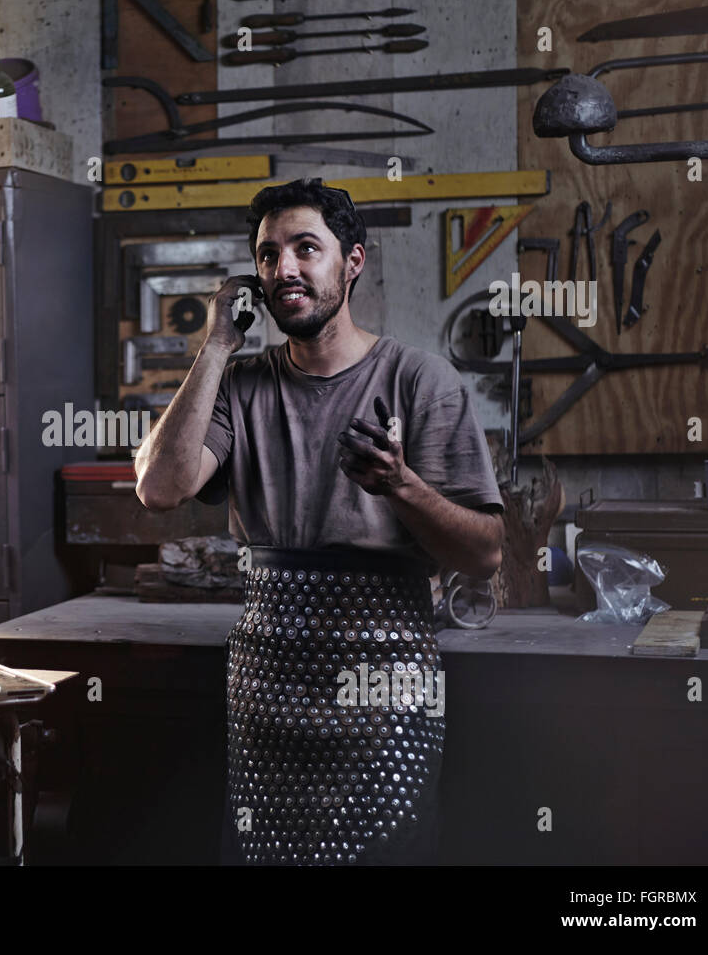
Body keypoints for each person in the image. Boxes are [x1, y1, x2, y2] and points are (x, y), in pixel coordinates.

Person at [133, 177, 505, 865]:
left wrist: (401, 485)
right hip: (267, 690)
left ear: (352, 262)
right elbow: (159, 488)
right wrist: (216, 345)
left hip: (385, 691)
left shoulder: (421, 381)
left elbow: (484, 555)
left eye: (307, 248)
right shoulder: (238, 386)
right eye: (269, 255)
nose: (286, 269)